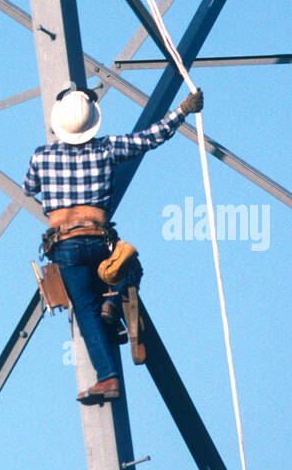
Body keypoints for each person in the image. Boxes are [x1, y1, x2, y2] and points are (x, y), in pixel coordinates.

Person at [23, 82, 203, 404]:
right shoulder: (106, 148)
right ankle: (114, 296)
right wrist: (182, 111)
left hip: (64, 244)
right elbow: (150, 138)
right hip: (99, 238)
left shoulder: (42, 156)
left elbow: (28, 187)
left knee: (85, 311)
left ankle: (107, 378)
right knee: (130, 267)